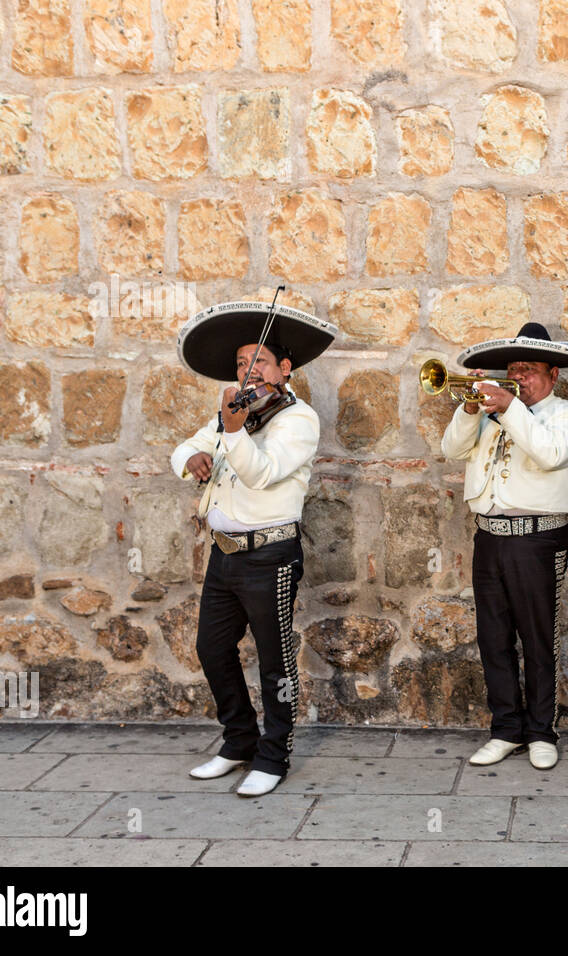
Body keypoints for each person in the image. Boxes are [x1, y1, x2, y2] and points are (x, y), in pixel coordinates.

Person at [171, 301, 336, 797]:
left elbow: (260, 472)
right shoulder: (231, 413)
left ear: (284, 369)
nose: (248, 371)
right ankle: (238, 741)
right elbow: (183, 446)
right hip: (224, 555)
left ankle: (274, 753)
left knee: (274, 660)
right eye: (242, 364)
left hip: (270, 555)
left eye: (259, 362)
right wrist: (194, 456)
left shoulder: (298, 420)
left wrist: (233, 428)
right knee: (211, 648)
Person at [441, 323, 568, 770]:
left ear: (553, 375)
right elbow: (451, 448)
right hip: (489, 536)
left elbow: (548, 454)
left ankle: (541, 731)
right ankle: (505, 729)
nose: (519, 377)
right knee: (493, 639)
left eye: (528, 370)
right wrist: (472, 409)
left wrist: (511, 405)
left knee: (538, 638)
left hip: (538, 538)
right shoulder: (491, 416)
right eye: (513, 370)